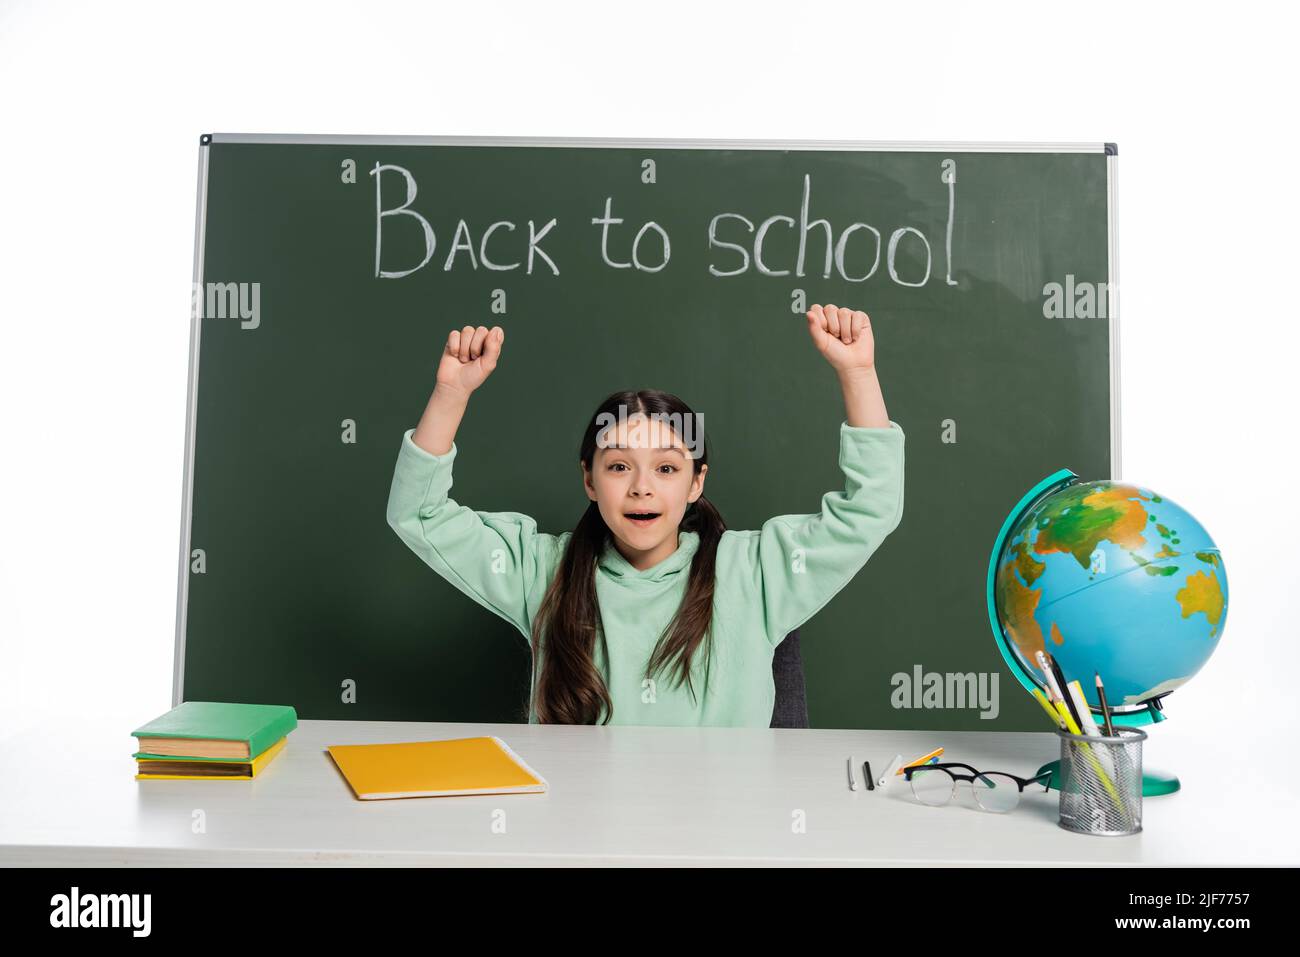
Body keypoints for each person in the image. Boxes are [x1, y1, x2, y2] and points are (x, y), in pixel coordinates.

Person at [386, 304, 905, 726]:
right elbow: (420, 512)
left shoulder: (756, 571)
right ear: (589, 479)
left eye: (665, 467)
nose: (641, 487)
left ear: (696, 483)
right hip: (582, 836)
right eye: (617, 466)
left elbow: (870, 510)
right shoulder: (541, 571)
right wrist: (451, 394)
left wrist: (858, 374)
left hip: (721, 837)